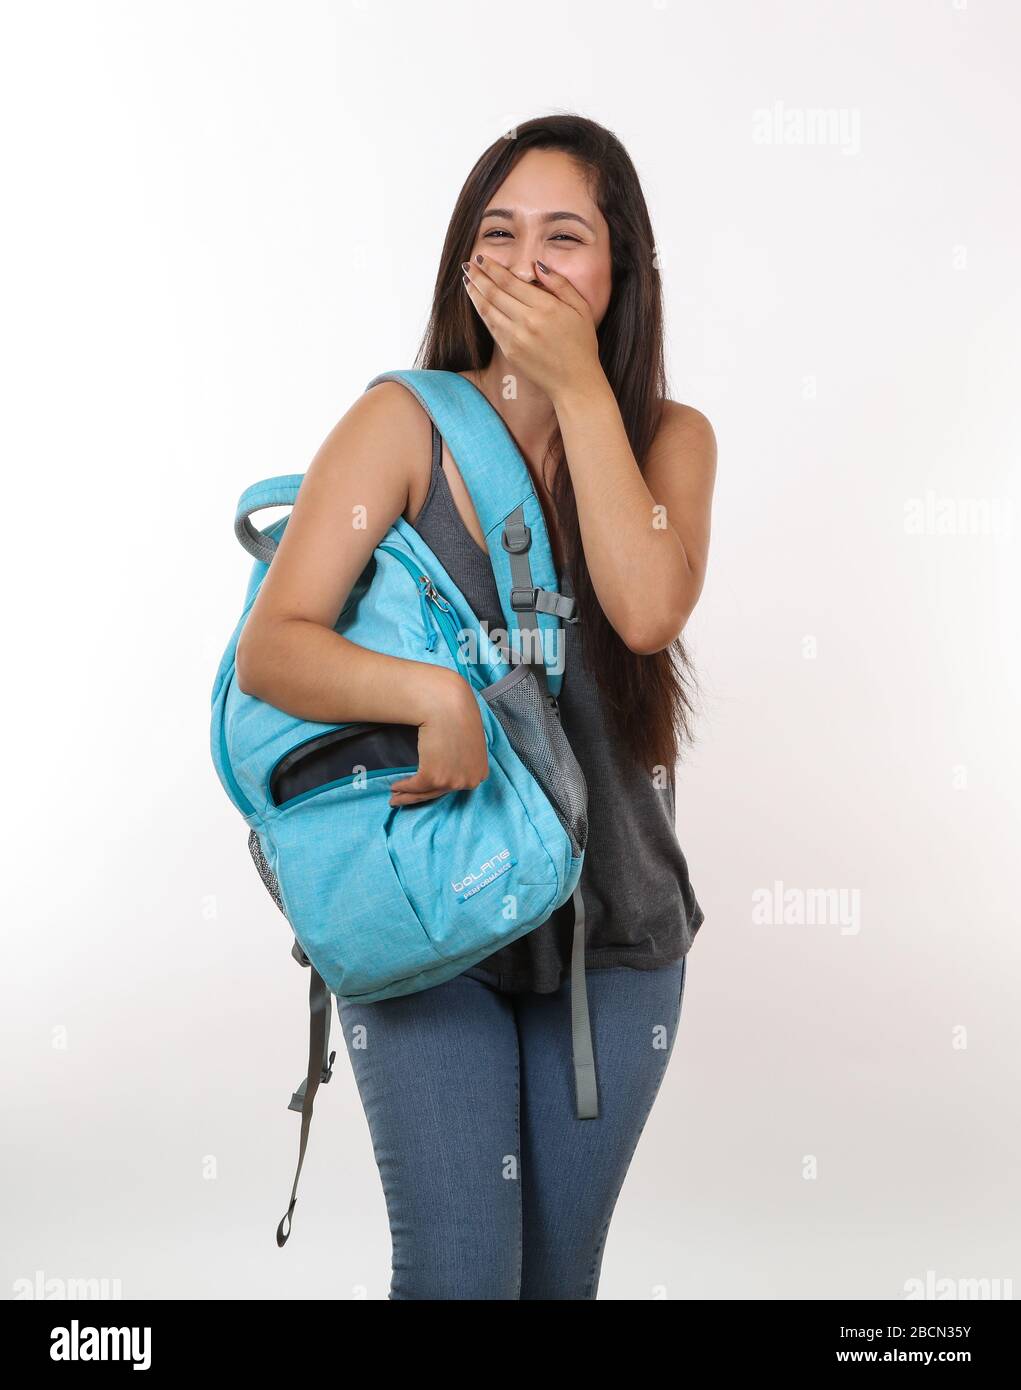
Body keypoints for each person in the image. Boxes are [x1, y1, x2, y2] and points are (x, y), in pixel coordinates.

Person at [235, 114, 717, 1299]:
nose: (529, 262)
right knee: (459, 1273)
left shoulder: (673, 443)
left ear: (620, 272)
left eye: (567, 237)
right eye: (498, 234)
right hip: (423, 910)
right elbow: (272, 647)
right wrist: (427, 692)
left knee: (556, 1278)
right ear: (466, 264)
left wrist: (578, 394)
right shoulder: (400, 422)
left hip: (614, 932)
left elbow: (648, 606)